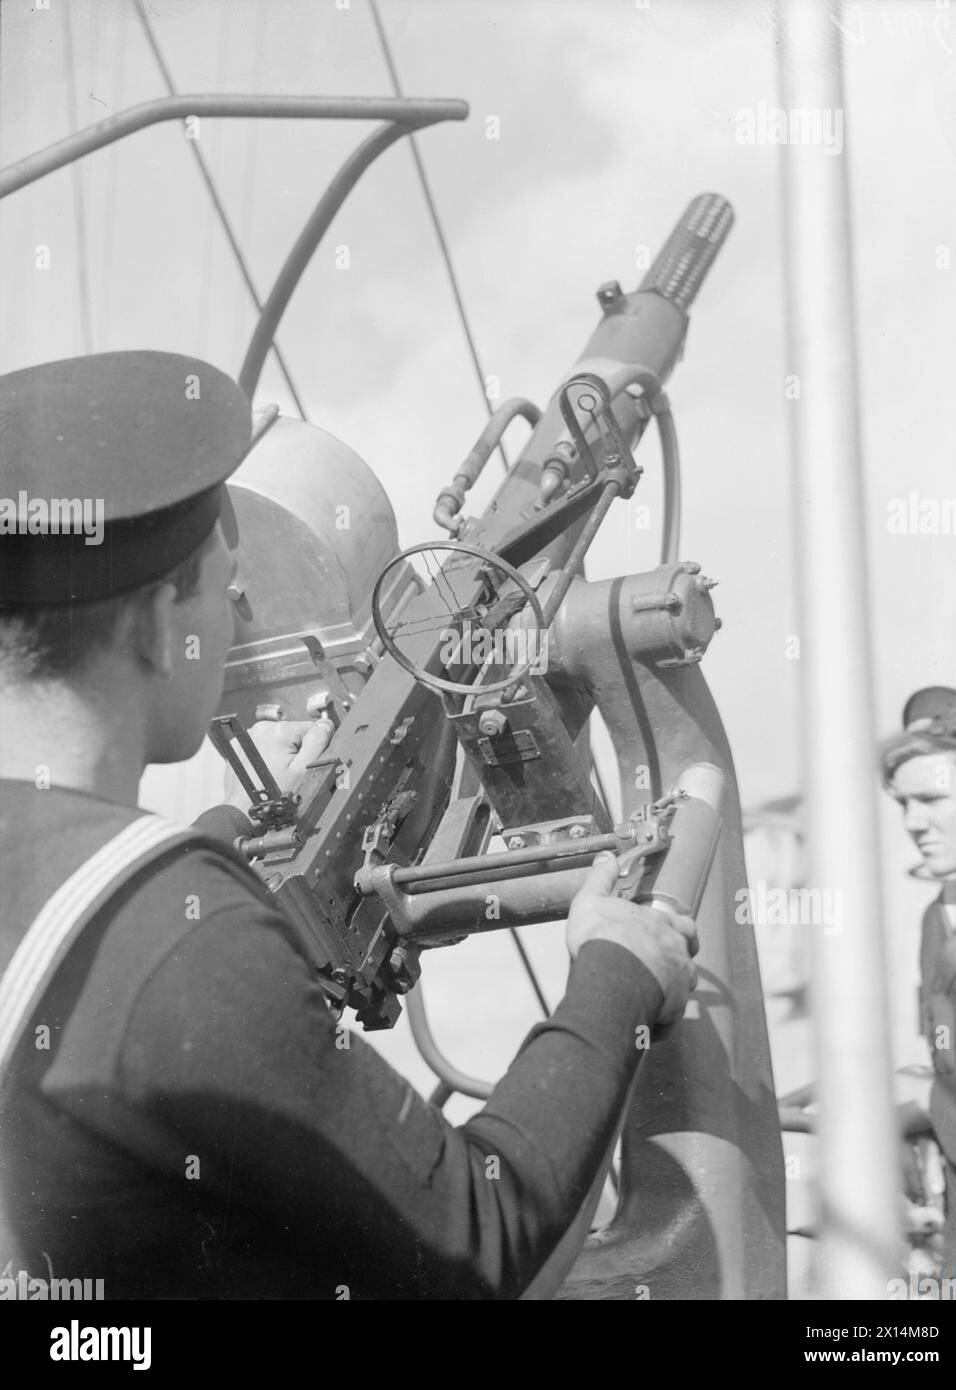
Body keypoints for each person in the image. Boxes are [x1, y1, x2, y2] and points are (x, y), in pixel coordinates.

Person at [0, 351, 698, 1300]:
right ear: (166, 624)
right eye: (228, 591)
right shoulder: (171, 936)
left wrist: (217, 853)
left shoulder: (123, 905)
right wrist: (616, 974)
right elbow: (473, 1236)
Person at [880, 687, 956, 1280]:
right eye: (902, 804)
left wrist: (929, 1102)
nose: (913, 823)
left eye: (932, 799)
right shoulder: (939, 914)